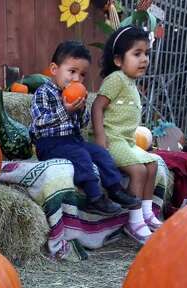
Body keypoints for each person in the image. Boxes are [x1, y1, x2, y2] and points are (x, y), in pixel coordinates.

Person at [31, 41, 140, 216]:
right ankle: (94, 197)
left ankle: (115, 189)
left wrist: (81, 111)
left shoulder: (76, 95)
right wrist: (64, 111)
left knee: (100, 152)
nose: (76, 79)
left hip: (73, 140)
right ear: (54, 69)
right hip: (49, 144)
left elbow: (82, 124)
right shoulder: (44, 93)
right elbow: (39, 123)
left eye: (82, 75)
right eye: (72, 71)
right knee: (81, 156)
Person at [92, 26, 164, 244]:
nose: (144, 59)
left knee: (153, 165)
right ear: (118, 60)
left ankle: (146, 211)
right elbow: (97, 106)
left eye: (146, 54)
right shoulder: (116, 79)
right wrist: (100, 137)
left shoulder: (131, 83)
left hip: (127, 141)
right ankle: (133, 221)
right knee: (139, 171)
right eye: (137, 54)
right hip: (112, 138)